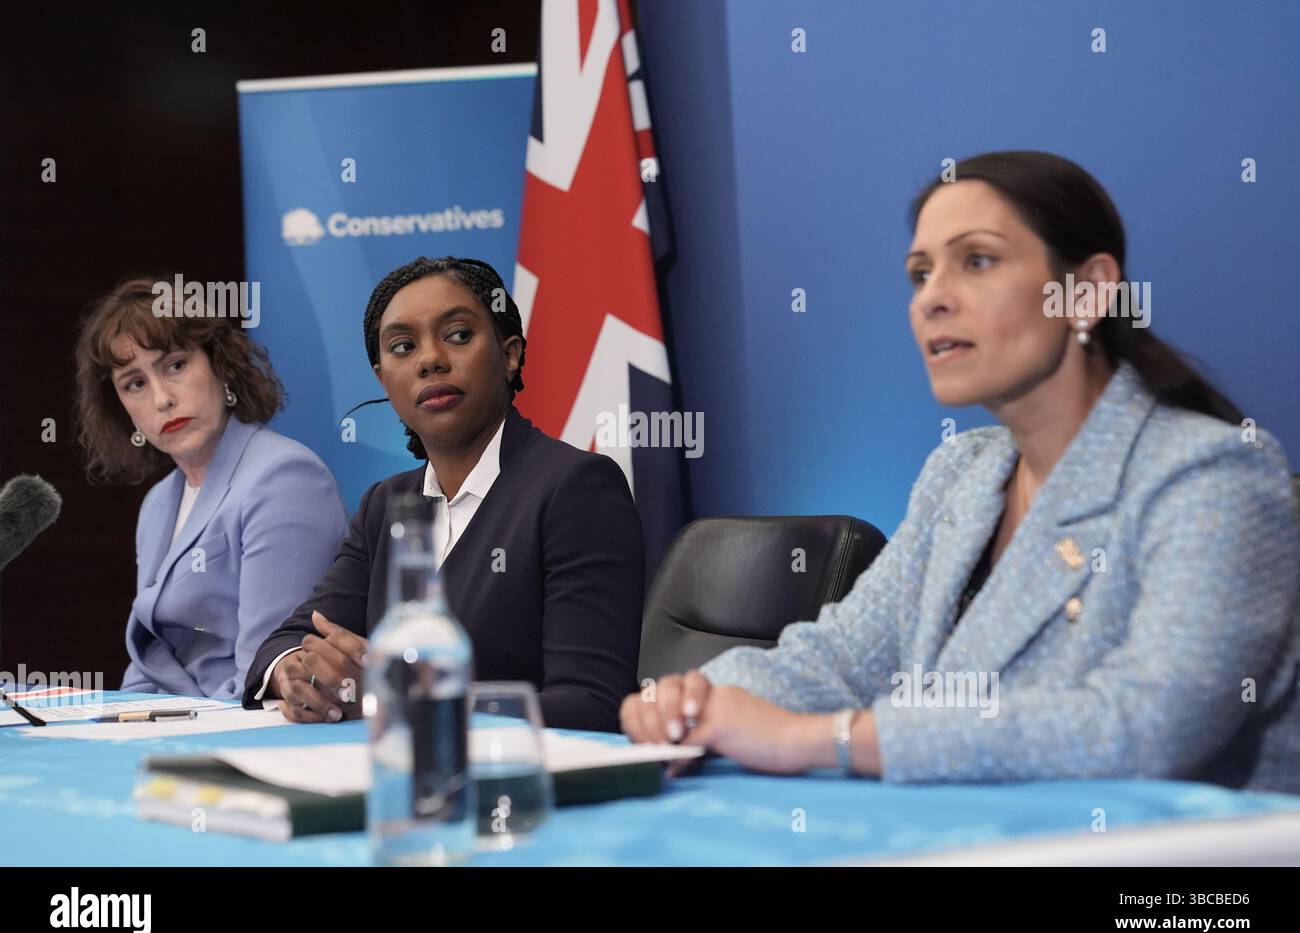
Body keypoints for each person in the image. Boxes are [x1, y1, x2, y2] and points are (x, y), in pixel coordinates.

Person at [622, 151, 1300, 793]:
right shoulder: (961, 471)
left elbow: (1143, 728)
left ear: (1088, 293)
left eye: (977, 260)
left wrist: (819, 739)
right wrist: (698, 699)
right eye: (920, 273)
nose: (931, 299)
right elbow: (839, 659)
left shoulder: (1215, 477)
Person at [242, 256, 645, 732]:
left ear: (510, 353)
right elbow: (291, 639)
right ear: (382, 380)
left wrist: (403, 699)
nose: (430, 359)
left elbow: (592, 704)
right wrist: (298, 673)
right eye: (403, 346)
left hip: (519, 790)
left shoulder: (575, 489)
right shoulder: (383, 506)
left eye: (457, 335)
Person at [74, 277, 348, 698]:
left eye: (176, 365)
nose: (162, 398)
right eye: (135, 383)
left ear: (220, 365)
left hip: (248, 734)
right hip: (173, 730)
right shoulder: (157, 504)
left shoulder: (285, 477)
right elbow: (153, 661)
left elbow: (267, 671)